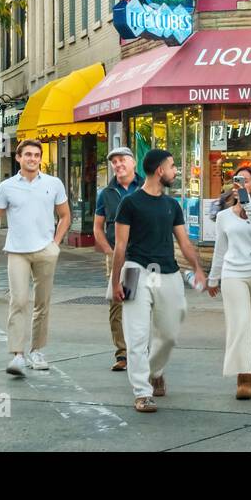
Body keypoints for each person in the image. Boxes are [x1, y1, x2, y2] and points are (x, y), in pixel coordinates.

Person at [111, 148, 207, 413]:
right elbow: (120, 246)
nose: (176, 171)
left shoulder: (171, 205)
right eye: (173, 166)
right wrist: (116, 282)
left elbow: (184, 241)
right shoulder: (129, 203)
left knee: (169, 333)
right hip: (135, 271)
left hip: (167, 272)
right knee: (137, 334)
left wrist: (198, 268)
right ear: (159, 170)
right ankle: (143, 392)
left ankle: (156, 371)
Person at [0, 139, 72, 377]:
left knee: (42, 303)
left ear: (40, 158)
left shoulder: (53, 183)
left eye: (37, 155)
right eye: (28, 154)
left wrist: (55, 244)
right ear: (18, 157)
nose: (32, 159)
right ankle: (17, 355)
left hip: (46, 251)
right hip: (17, 251)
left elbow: (65, 216)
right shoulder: (7, 187)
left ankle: (37, 351)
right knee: (18, 300)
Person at [205, 166, 251, 400]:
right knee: (240, 325)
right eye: (237, 181)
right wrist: (213, 278)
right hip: (233, 274)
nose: (240, 185)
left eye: (245, 181)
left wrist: (248, 205)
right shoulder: (224, 216)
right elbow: (220, 249)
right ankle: (243, 375)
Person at [93, 147, 142, 371]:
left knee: (144, 301)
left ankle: (143, 349)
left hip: (144, 253)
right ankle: (122, 353)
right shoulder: (106, 193)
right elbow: (98, 227)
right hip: (117, 254)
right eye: (114, 162)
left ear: (133, 162)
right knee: (117, 302)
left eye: (122, 160)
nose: (118, 164)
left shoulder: (146, 186)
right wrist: (110, 253)